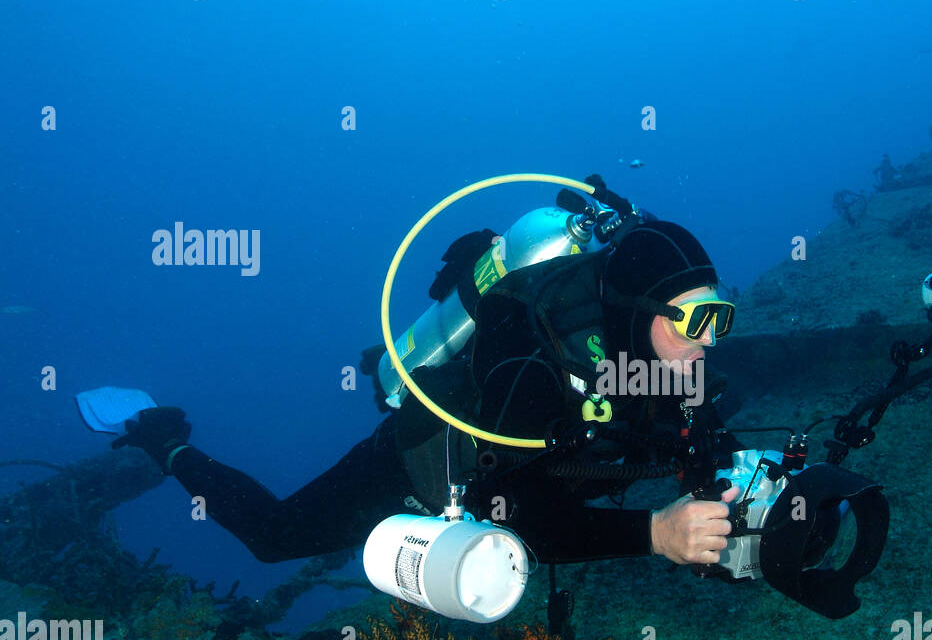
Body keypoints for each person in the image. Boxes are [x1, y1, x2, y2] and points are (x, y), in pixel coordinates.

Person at [112, 220, 744, 573]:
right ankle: (162, 437)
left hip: (552, 463)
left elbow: (683, 429)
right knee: (275, 536)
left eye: (719, 317)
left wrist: (727, 476)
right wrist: (655, 533)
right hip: (427, 464)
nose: (708, 341)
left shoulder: (660, 351)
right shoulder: (534, 355)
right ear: (636, 312)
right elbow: (506, 509)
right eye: (692, 321)